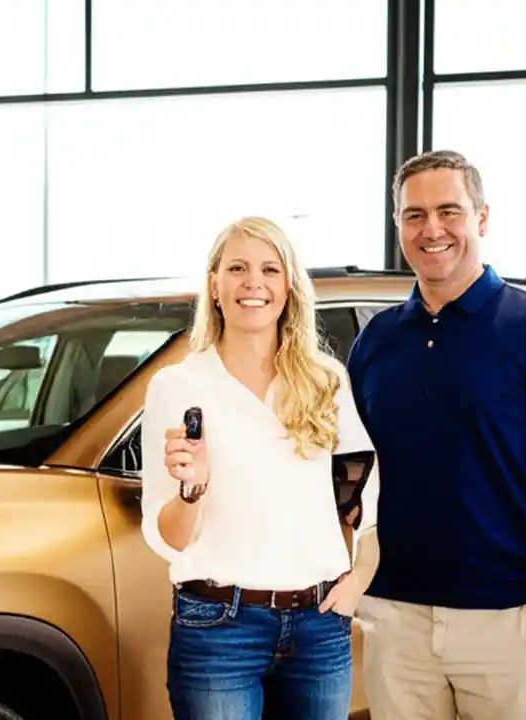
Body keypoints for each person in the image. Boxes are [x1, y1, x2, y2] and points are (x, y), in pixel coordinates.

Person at [346, 150, 526, 720]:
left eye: (449, 211)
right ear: (398, 227)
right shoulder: (377, 342)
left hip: (511, 617)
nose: (432, 229)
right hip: (395, 616)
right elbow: (350, 473)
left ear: (481, 218)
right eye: (414, 215)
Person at [140, 216, 380, 720]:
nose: (254, 282)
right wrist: (193, 489)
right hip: (217, 630)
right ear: (214, 284)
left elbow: (366, 495)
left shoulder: (325, 381)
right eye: (238, 268)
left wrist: (358, 579)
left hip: (319, 627)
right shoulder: (177, 386)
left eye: (270, 269)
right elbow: (169, 538)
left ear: (288, 286)